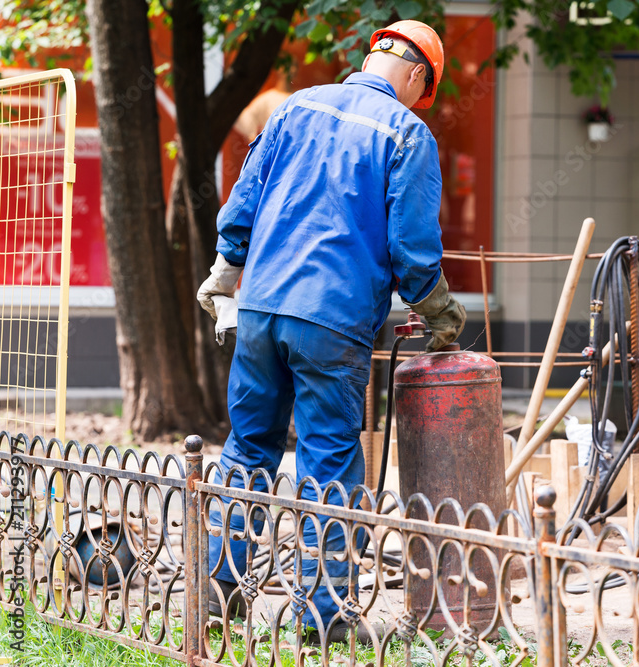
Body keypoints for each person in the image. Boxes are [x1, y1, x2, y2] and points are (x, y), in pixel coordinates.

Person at [196, 20, 466, 638]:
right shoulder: (406, 133)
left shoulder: (296, 107)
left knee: (247, 449)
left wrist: (223, 272)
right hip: (332, 320)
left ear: (372, 56)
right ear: (419, 77)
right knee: (329, 462)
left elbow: (242, 203)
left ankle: (217, 591)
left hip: (261, 309)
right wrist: (442, 315)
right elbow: (414, 252)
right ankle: (322, 617)